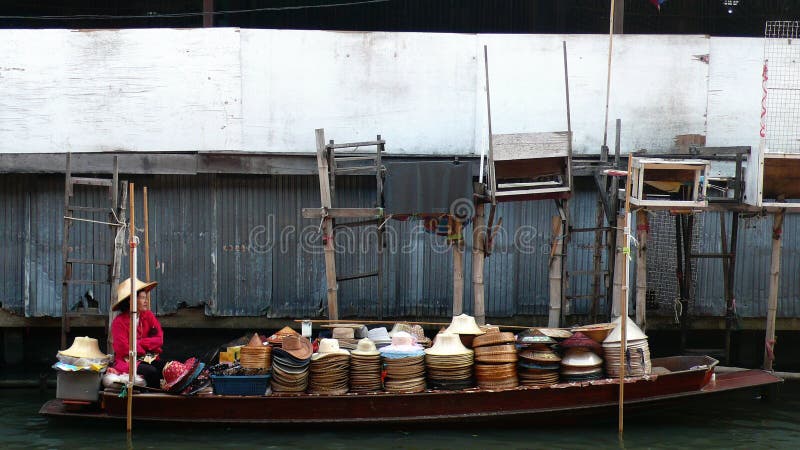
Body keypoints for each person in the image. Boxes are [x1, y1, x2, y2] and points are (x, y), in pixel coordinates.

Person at [110, 277, 165, 388]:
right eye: (143, 298)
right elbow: (123, 349)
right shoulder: (118, 322)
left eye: (146, 298)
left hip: (148, 357)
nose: (146, 301)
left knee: (166, 367)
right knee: (151, 372)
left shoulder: (148, 315)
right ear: (132, 300)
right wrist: (145, 347)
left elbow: (159, 339)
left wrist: (139, 342)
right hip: (128, 361)